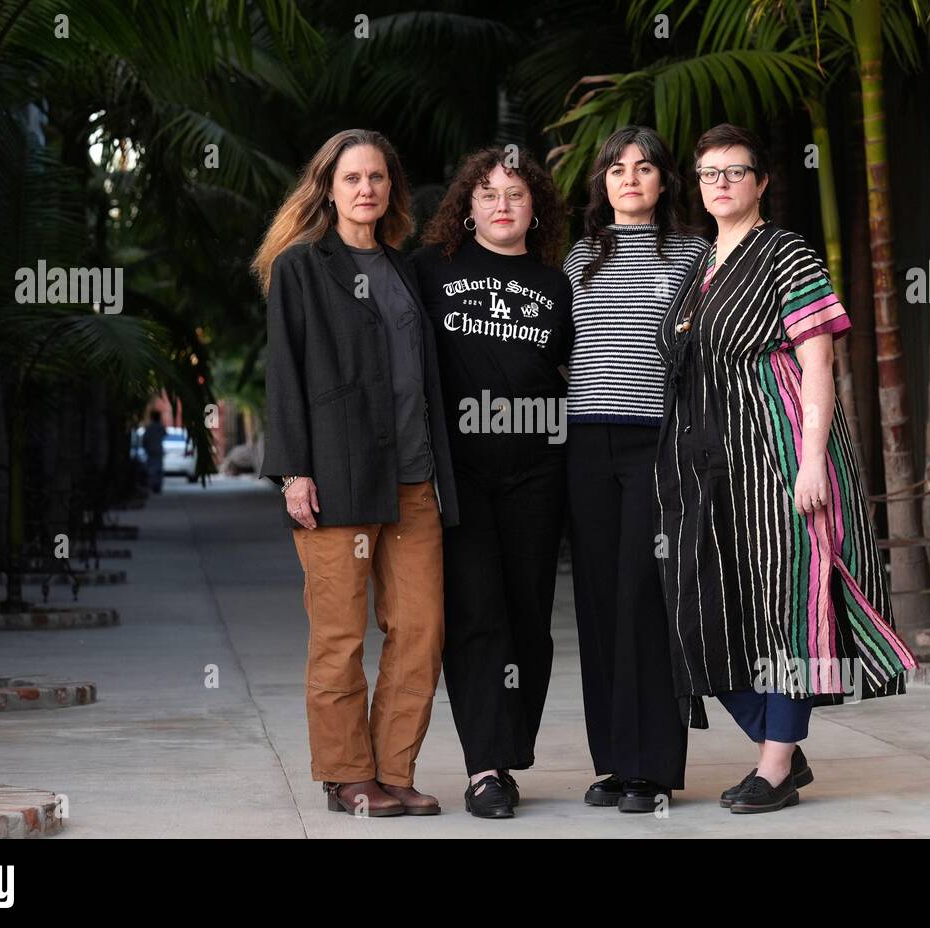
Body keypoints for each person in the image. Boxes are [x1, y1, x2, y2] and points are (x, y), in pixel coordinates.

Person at [654, 124, 918, 814]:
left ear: (762, 181)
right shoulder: (697, 264)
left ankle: (773, 767)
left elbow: (818, 365)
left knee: (787, 608)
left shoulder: (786, 253)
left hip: (780, 453)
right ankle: (781, 739)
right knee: (704, 610)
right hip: (709, 469)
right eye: (708, 173)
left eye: (735, 172)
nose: (720, 184)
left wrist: (810, 465)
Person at [254, 128, 460, 818]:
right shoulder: (301, 268)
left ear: (390, 189)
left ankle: (393, 769)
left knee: (422, 629)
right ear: (328, 188)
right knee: (340, 638)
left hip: (413, 477)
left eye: (377, 178)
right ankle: (347, 776)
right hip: (339, 477)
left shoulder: (406, 269)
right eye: (352, 179)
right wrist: (292, 472)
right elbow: (283, 372)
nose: (366, 189)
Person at [410, 148, 572, 818]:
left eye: (515, 194)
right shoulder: (429, 271)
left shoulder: (559, 285)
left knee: (530, 617)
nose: (501, 204)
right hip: (462, 475)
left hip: (539, 471)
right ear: (466, 207)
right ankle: (485, 769)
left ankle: (510, 751)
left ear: (535, 209)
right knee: (478, 614)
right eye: (487, 193)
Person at [561, 126, 706, 813]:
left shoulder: (692, 254)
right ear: (602, 182)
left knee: (644, 597)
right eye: (617, 168)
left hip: (657, 442)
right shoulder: (579, 258)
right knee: (597, 601)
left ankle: (651, 769)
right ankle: (615, 763)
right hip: (586, 442)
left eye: (644, 168)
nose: (630, 178)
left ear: (663, 182)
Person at [141, 410, 167, 493]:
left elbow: (145, 439)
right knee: (158, 469)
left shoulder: (150, 428)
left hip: (151, 450)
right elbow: (164, 434)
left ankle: (154, 485)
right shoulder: (160, 427)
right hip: (157, 450)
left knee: (152, 469)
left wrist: (145, 447)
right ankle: (157, 486)